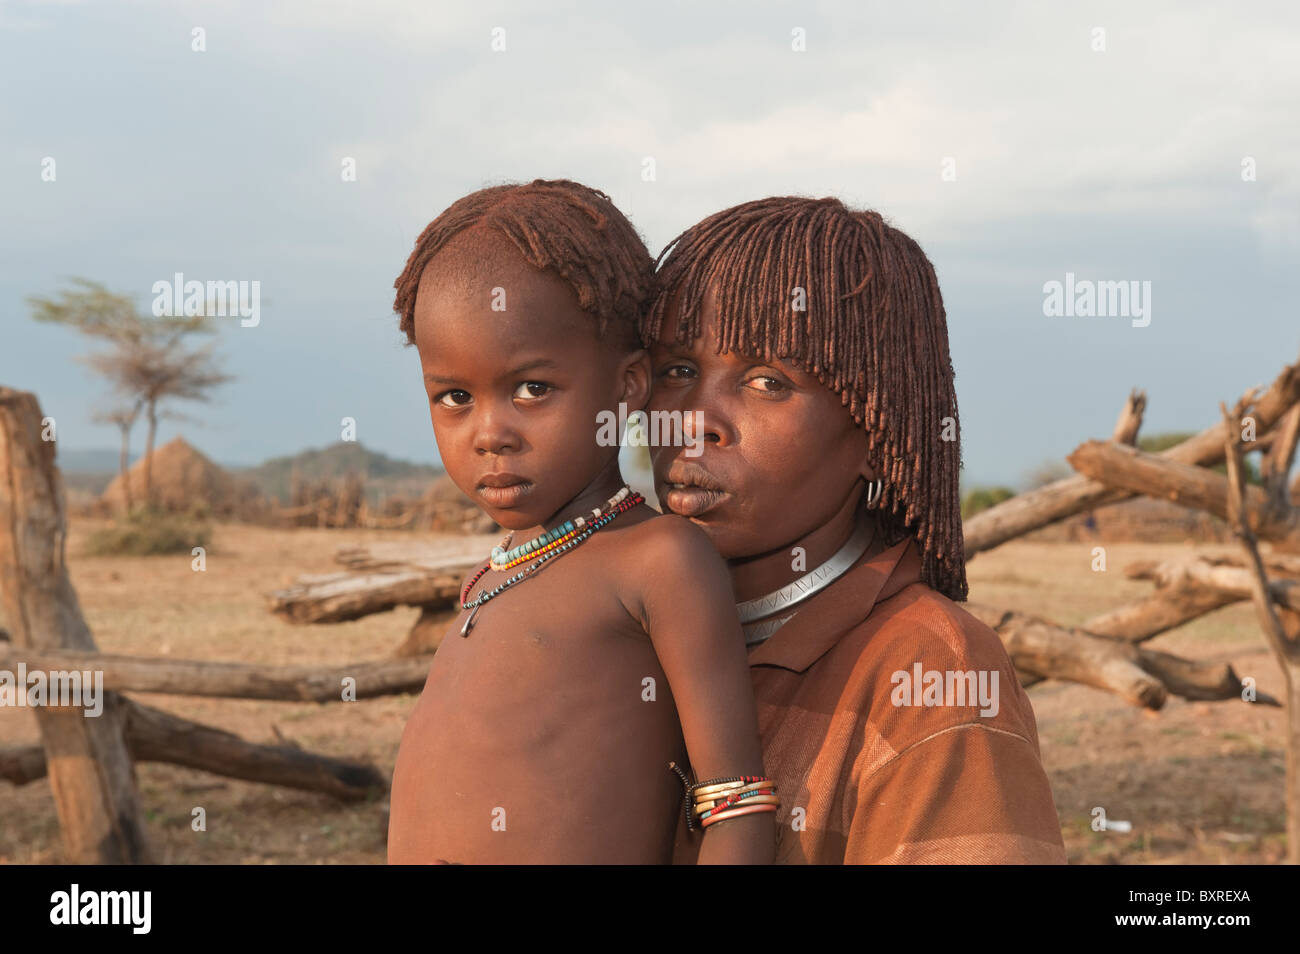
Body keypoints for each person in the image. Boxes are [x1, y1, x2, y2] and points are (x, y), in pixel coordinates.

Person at [645, 196, 1068, 864]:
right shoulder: (631, 634)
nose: (695, 418)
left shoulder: (930, 681)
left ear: (876, 435)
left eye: (767, 381)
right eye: (677, 371)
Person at [385, 179, 775, 864]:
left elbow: (735, 803)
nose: (490, 434)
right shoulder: (495, 571)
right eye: (454, 396)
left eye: (532, 389)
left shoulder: (658, 560)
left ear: (626, 387)